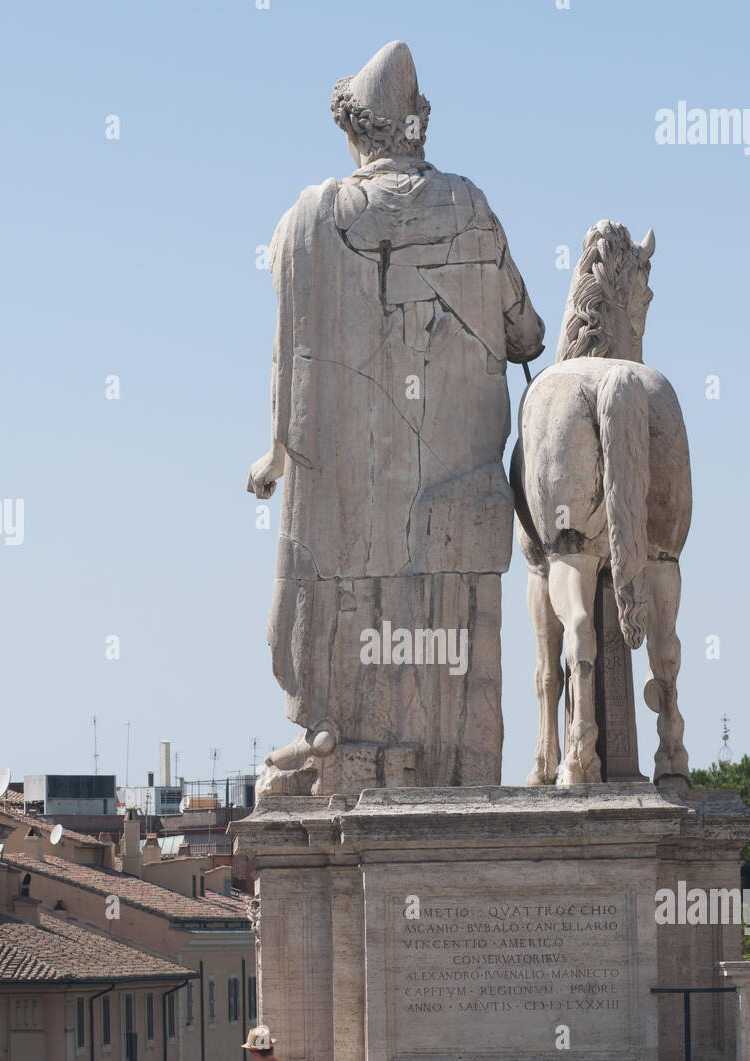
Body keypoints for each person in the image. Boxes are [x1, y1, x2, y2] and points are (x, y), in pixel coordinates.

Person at [247, 40, 545, 797]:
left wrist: (277, 451)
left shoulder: (307, 220)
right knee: (452, 619)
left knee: (354, 599)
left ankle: (344, 749)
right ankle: (455, 776)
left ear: (355, 134)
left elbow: (287, 358)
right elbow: (526, 335)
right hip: (456, 487)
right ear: (414, 125)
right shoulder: (467, 203)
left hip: (345, 499)